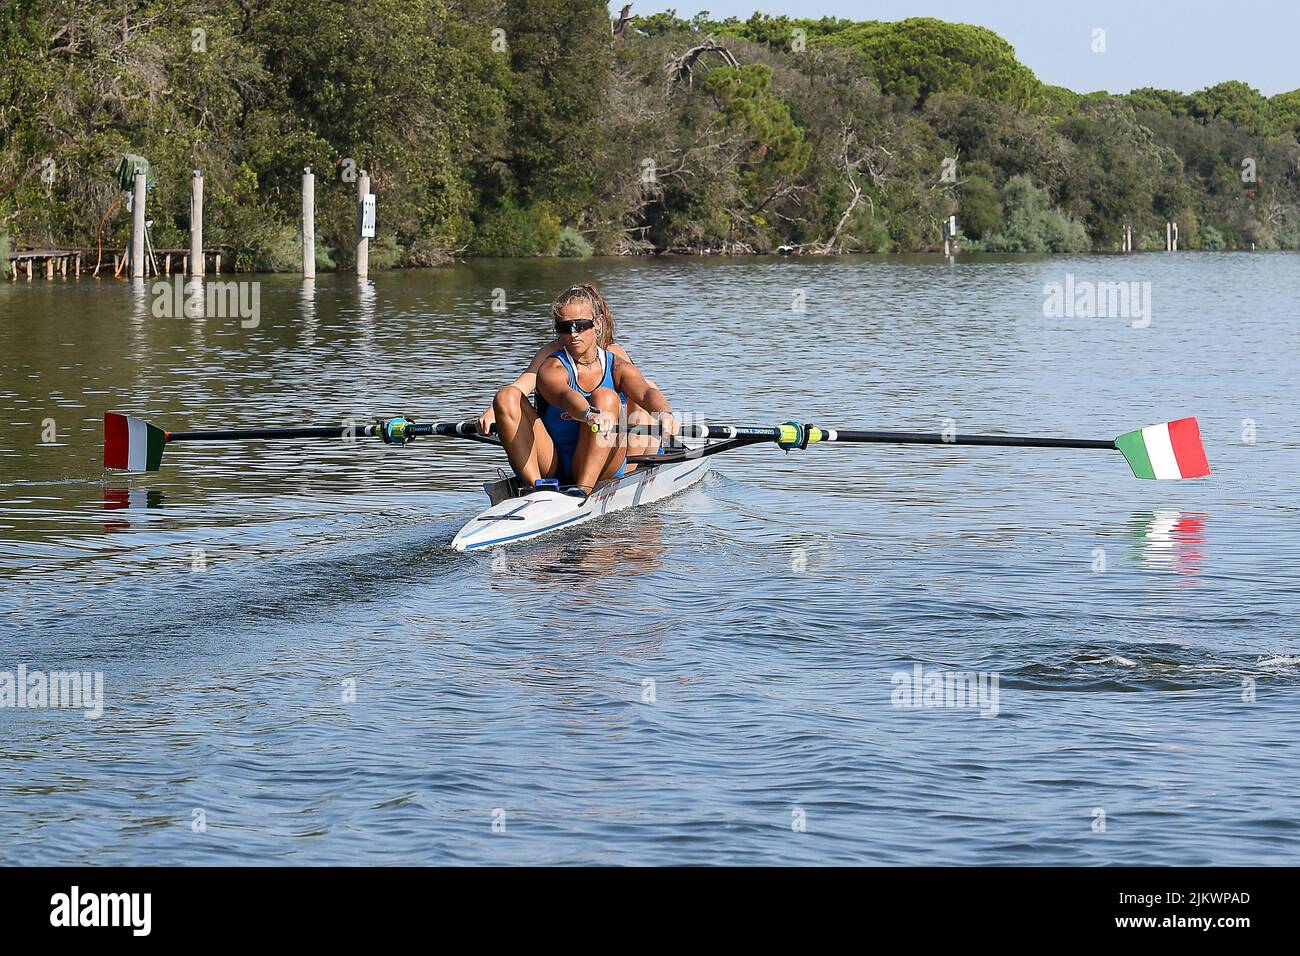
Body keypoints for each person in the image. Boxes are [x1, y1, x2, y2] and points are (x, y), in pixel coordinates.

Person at [487, 284, 678, 496]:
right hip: (553, 462)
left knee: (605, 397)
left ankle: (583, 490)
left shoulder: (617, 366)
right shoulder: (552, 367)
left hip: (604, 464)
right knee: (506, 396)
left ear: (597, 324)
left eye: (580, 326)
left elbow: (644, 393)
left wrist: (664, 412)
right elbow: (565, 396)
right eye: (564, 327)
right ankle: (537, 489)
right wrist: (588, 414)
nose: (573, 334)